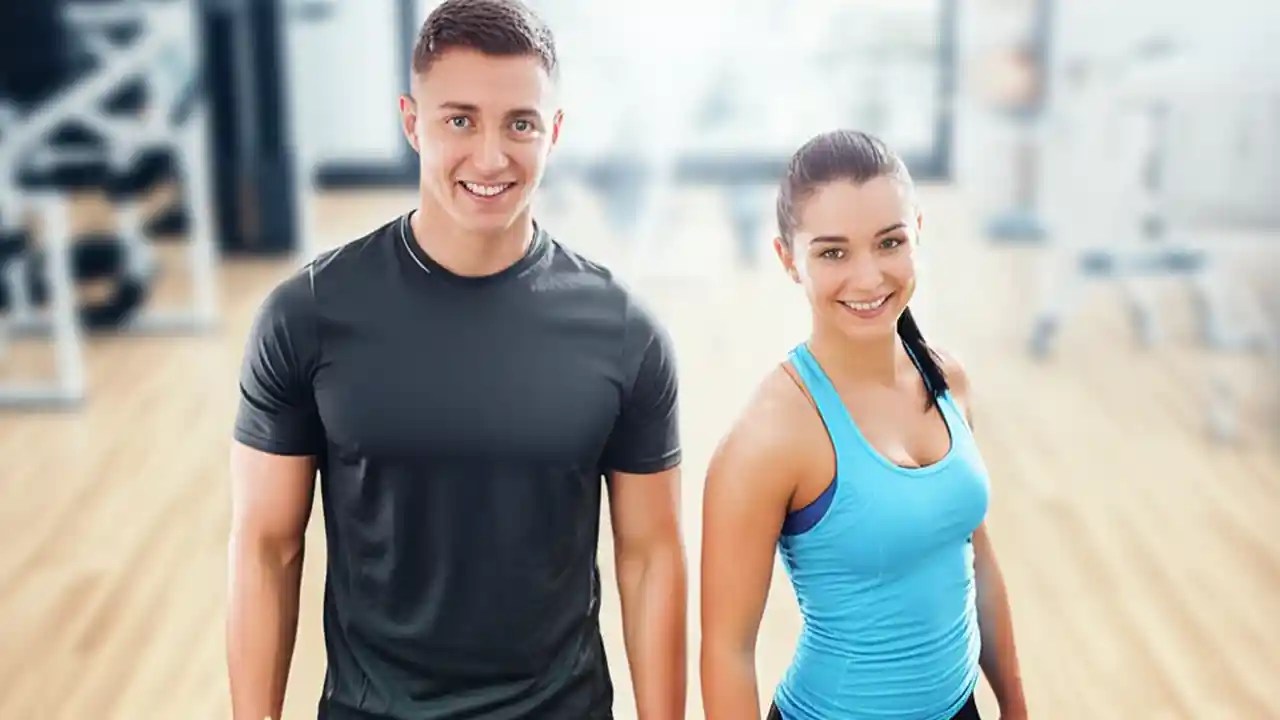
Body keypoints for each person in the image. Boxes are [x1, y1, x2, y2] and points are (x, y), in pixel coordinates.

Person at [226, 2, 687, 718]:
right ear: (412, 123)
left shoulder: (625, 333)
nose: (491, 157)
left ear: (554, 132)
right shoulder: (307, 316)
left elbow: (651, 557)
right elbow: (267, 547)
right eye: (460, 120)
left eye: (521, 123)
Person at [699, 130, 1027, 720]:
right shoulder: (768, 439)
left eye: (889, 242)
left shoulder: (948, 380)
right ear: (787, 260)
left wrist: (1015, 708)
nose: (869, 277)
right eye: (833, 252)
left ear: (917, 233)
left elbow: (975, 558)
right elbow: (728, 651)